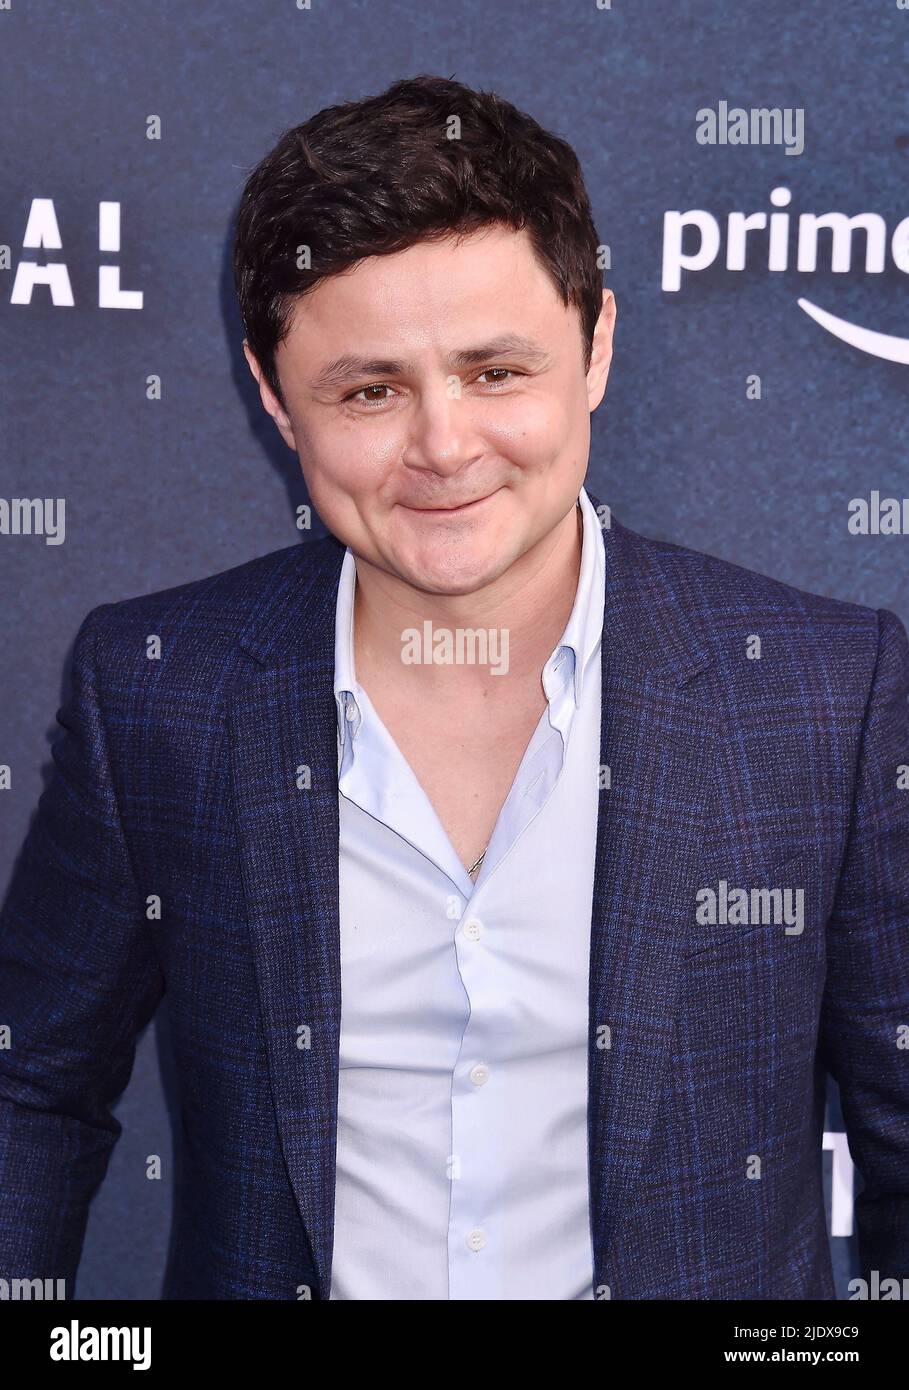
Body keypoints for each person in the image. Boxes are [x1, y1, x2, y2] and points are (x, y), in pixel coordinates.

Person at [1, 73, 907, 1301]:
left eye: (495, 372)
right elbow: (31, 1090)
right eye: (370, 390)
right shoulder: (158, 692)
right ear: (274, 398)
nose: (443, 447)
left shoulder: (822, 693)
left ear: (596, 348)